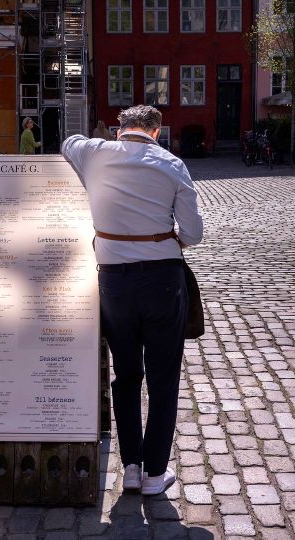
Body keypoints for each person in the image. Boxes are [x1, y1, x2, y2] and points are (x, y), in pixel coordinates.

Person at [61, 105, 203, 496]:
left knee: (125, 376)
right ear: (156, 132)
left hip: (113, 282)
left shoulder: (94, 152)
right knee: (163, 378)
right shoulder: (171, 164)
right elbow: (193, 234)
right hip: (162, 281)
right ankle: (156, 473)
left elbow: (68, 142)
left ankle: (132, 468)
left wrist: (100, 145)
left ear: (118, 130)